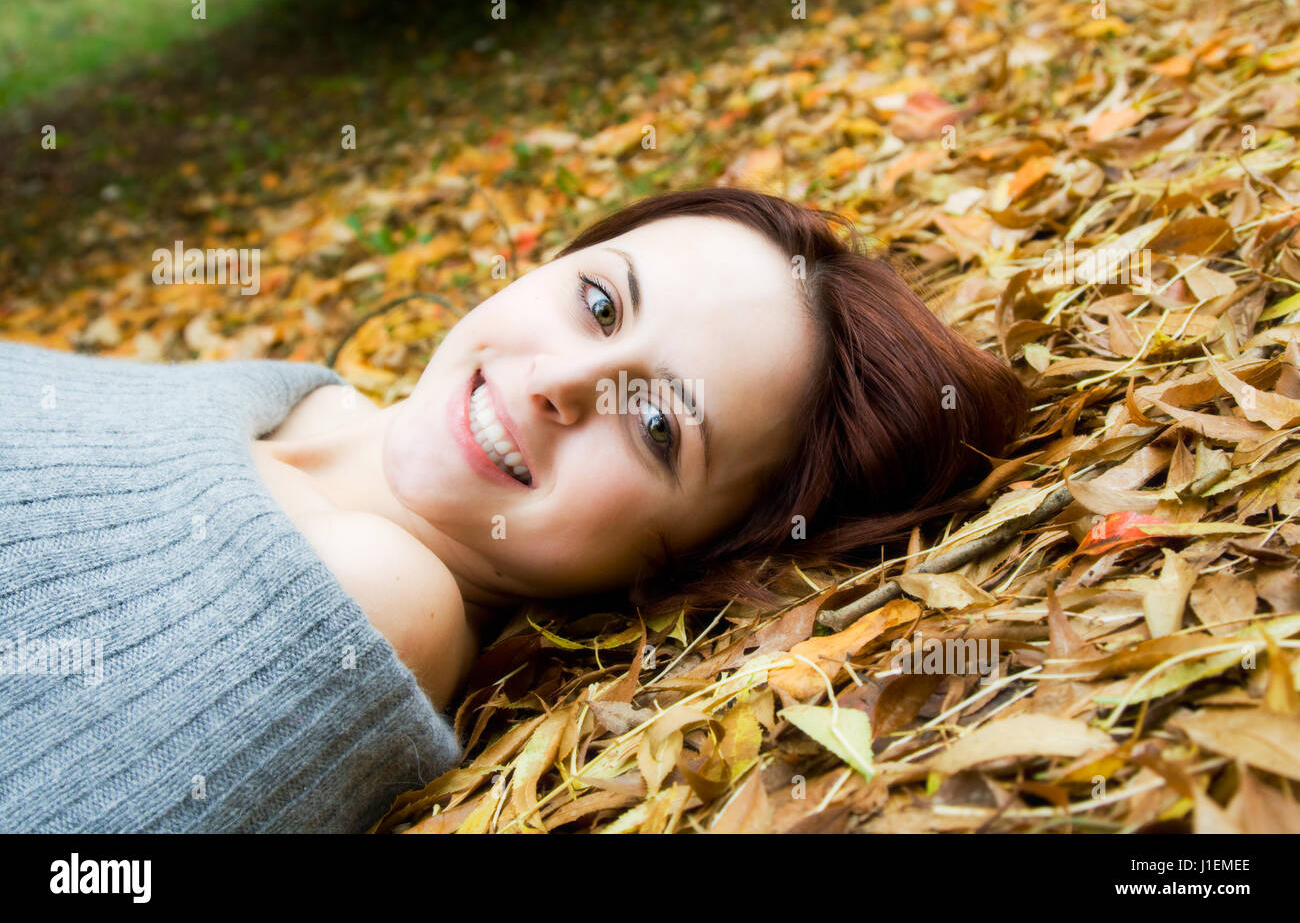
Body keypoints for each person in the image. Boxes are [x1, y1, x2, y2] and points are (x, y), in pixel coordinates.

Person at [0, 186, 1025, 832]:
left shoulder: (380, 599)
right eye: (599, 303)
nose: (563, 383)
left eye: (659, 426)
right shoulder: (309, 400)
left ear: (688, 555)